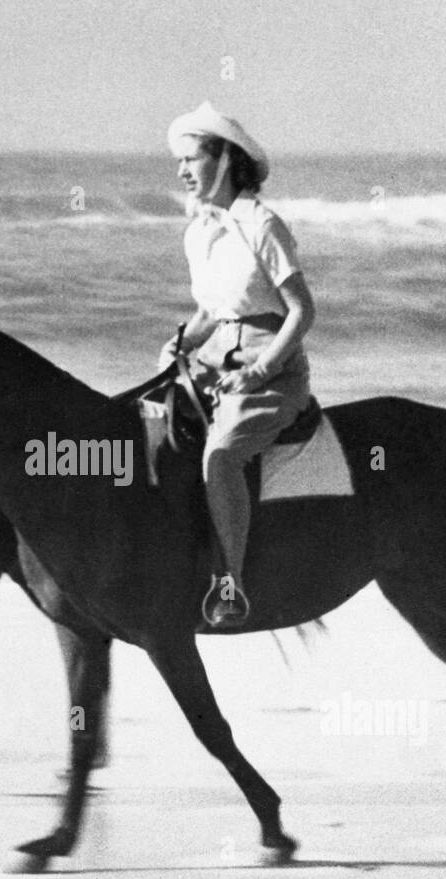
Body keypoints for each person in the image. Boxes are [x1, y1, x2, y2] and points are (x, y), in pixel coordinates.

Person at [160, 102, 317, 628]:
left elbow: (301, 310)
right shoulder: (198, 231)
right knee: (146, 425)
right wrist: (178, 343)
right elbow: (212, 311)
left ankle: (230, 583)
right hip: (211, 354)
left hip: (269, 363)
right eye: (178, 161)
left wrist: (259, 371)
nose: (182, 171)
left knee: (221, 455)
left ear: (225, 159)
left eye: (192, 159)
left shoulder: (262, 224)